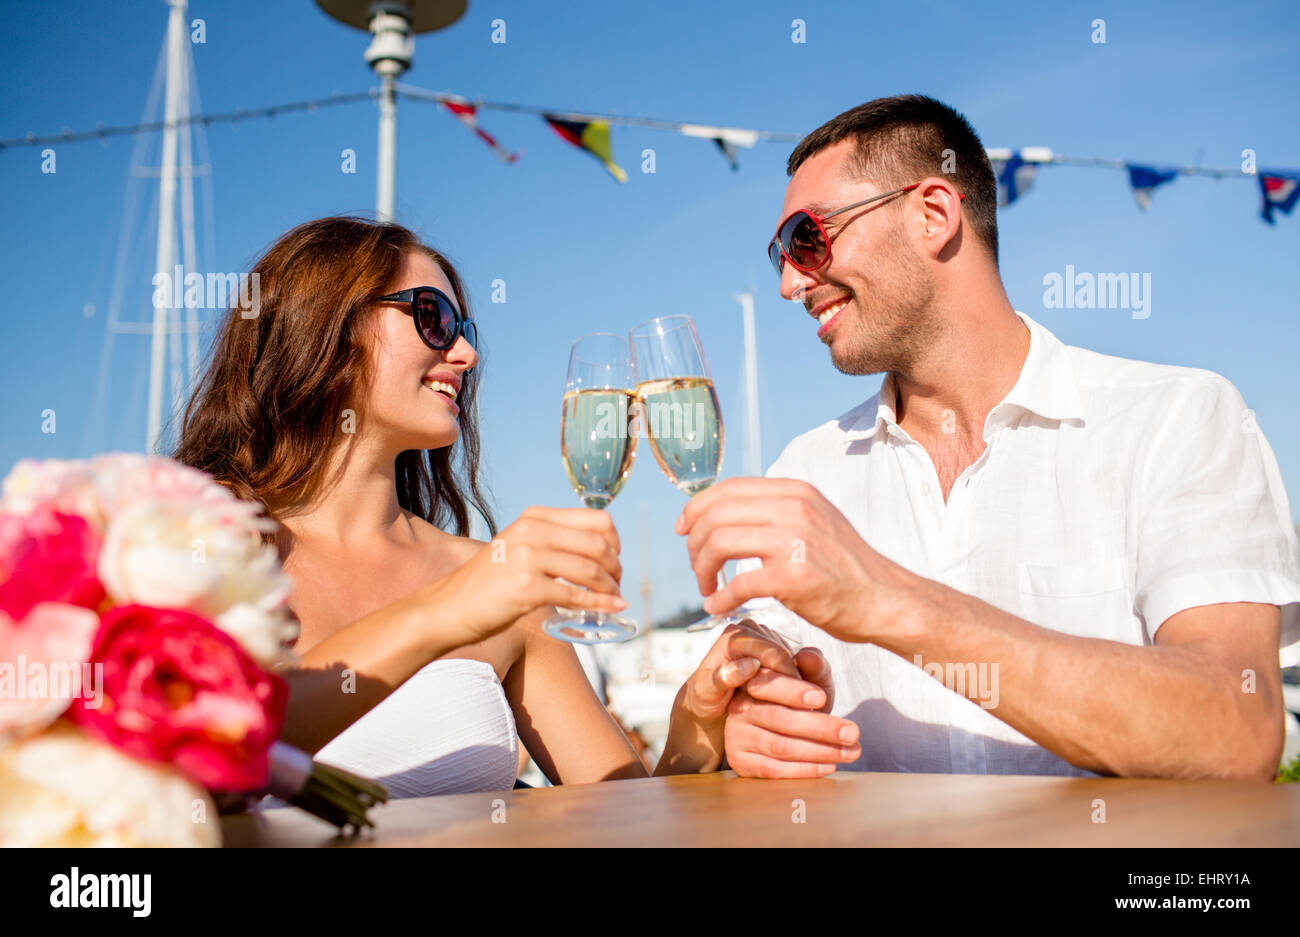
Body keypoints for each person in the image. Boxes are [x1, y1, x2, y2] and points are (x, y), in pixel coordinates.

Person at [678, 95, 1300, 780]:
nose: (791, 282)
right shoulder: (804, 471)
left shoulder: (1178, 419)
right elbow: (718, 717)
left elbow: (1238, 733)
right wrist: (741, 715)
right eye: (781, 256)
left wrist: (888, 599)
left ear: (933, 215)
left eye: (807, 237)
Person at [175, 216, 851, 797]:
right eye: (431, 319)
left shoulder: (504, 587)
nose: (466, 352)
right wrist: (453, 606)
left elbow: (626, 814)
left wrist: (696, 724)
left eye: (463, 327)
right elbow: (195, 752)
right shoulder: (184, 549)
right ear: (322, 324)